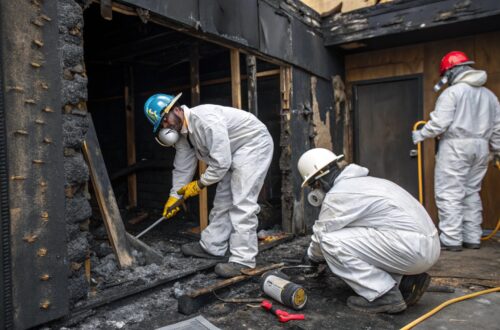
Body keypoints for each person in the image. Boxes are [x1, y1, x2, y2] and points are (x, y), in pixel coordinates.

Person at [143, 93, 274, 278]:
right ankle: (212, 246)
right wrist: (175, 196)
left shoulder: (205, 121)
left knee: (242, 202)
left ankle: (243, 260)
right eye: (161, 125)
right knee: (222, 202)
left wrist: (200, 184)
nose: (166, 126)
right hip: (232, 153)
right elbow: (182, 168)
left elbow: (221, 162)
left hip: (253, 145)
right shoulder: (182, 135)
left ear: (177, 109)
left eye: (165, 119)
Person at [298, 148, 440, 313]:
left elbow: (321, 234)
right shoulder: (366, 182)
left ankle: (384, 296)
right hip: (429, 245)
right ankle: (406, 282)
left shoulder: (338, 195)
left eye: (313, 186)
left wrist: (311, 257)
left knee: (329, 241)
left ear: (318, 183)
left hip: (412, 249)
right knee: (354, 234)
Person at [412, 51, 500, 251]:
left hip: (456, 146)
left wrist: (420, 134)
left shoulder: (453, 93)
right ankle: (472, 237)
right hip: (481, 148)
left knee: (450, 192)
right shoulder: (489, 96)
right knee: (471, 192)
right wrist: (497, 149)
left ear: (451, 71)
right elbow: (497, 127)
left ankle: (451, 240)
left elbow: (439, 124)